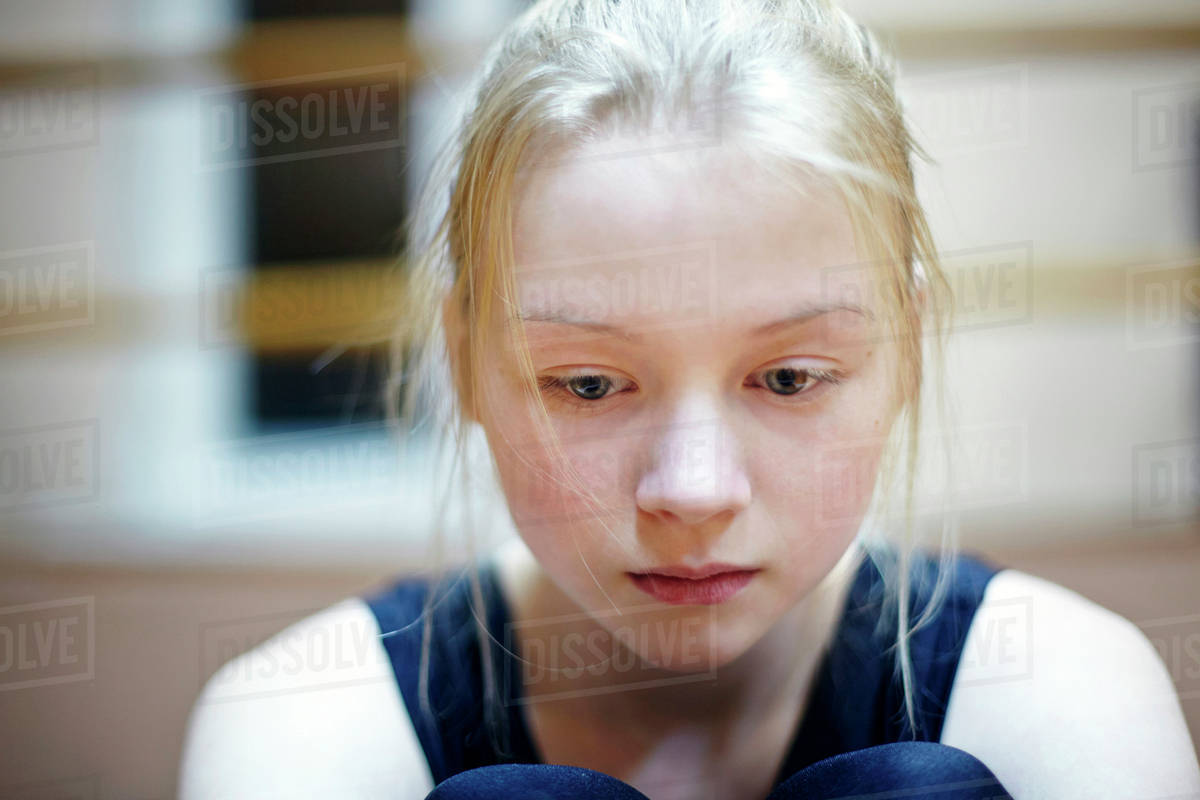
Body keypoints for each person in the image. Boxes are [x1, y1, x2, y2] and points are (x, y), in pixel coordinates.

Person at [178, 1, 1200, 798]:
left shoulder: (1059, 698)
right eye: (587, 383)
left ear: (909, 353)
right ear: (464, 358)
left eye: (790, 378)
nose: (693, 490)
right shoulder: (312, 722)